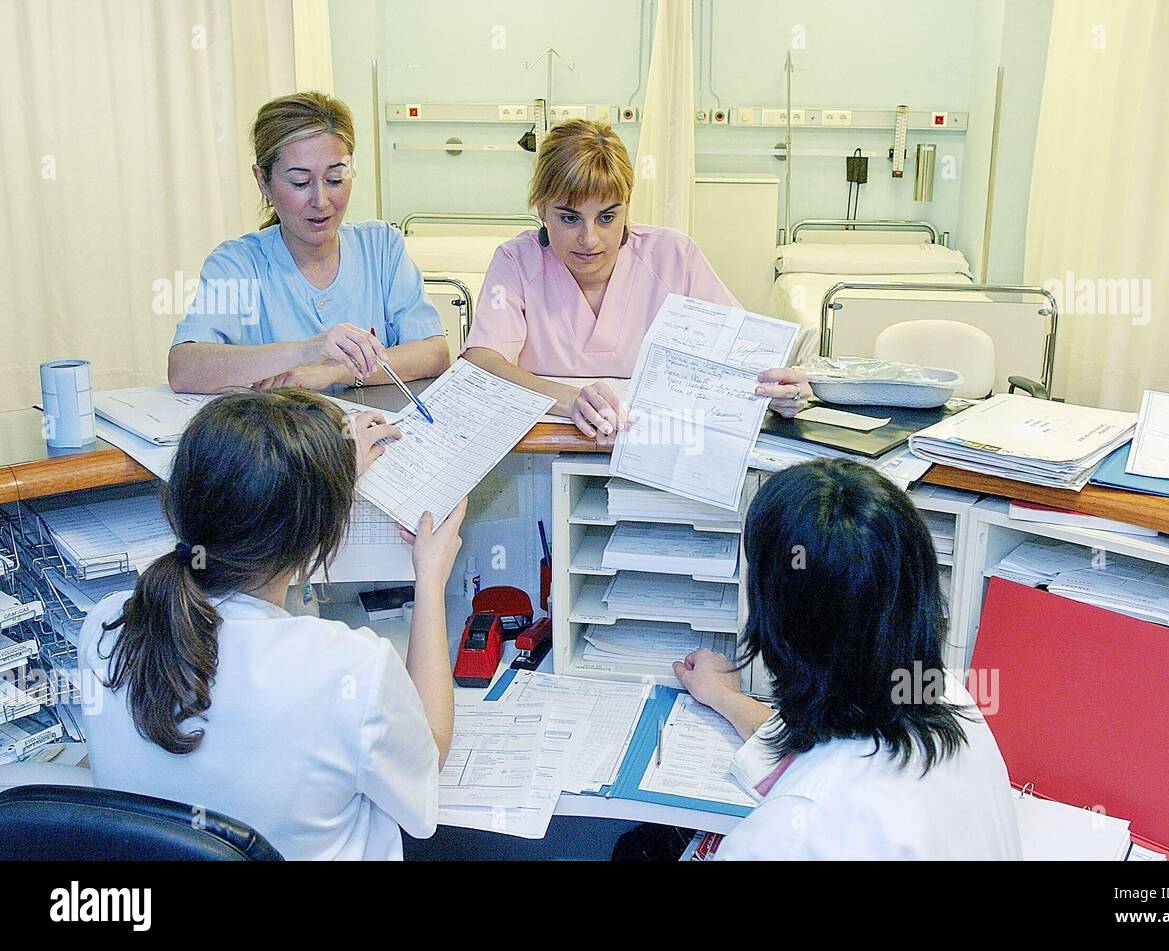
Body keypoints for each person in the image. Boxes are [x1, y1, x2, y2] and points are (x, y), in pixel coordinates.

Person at [78, 389, 466, 860]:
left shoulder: (106, 626)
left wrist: (324, 486)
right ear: (317, 537)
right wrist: (430, 580)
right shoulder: (353, 668)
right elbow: (428, 757)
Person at [673, 459, 1022, 860]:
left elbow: (823, 790)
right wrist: (727, 699)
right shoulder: (945, 698)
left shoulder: (792, 836)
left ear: (777, 616)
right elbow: (834, 744)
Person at [462, 118, 812, 440]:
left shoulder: (674, 257)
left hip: (658, 444)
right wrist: (569, 401)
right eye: (569, 219)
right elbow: (481, 362)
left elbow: (746, 357)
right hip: (543, 448)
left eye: (607, 217)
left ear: (627, 206)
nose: (590, 239)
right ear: (541, 210)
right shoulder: (516, 261)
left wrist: (781, 391)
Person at [168, 92, 450, 394]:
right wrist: (306, 351)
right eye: (301, 183)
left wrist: (337, 371)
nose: (321, 201)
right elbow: (186, 369)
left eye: (335, 180)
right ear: (263, 181)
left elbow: (434, 353)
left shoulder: (380, 247)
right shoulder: (238, 263)